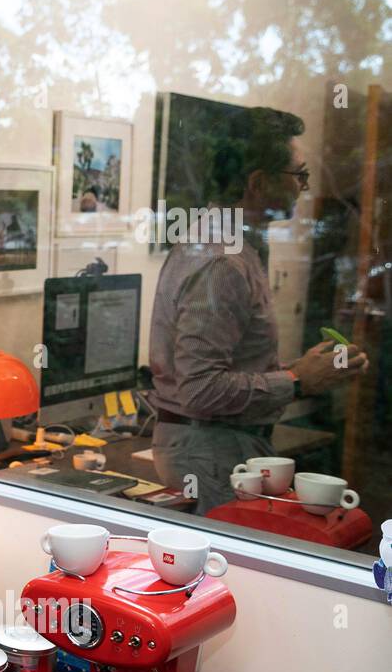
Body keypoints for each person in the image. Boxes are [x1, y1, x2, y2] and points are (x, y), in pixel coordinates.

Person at [148, 105, 368, 513]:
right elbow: (200, 389)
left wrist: (299, 370)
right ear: (258, 182)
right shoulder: (222, 262)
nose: (304, 187)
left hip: (220, 443)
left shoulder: (232, 243)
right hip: (209, 450)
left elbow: (221, 366)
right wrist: (297, 381)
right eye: (298, 175)